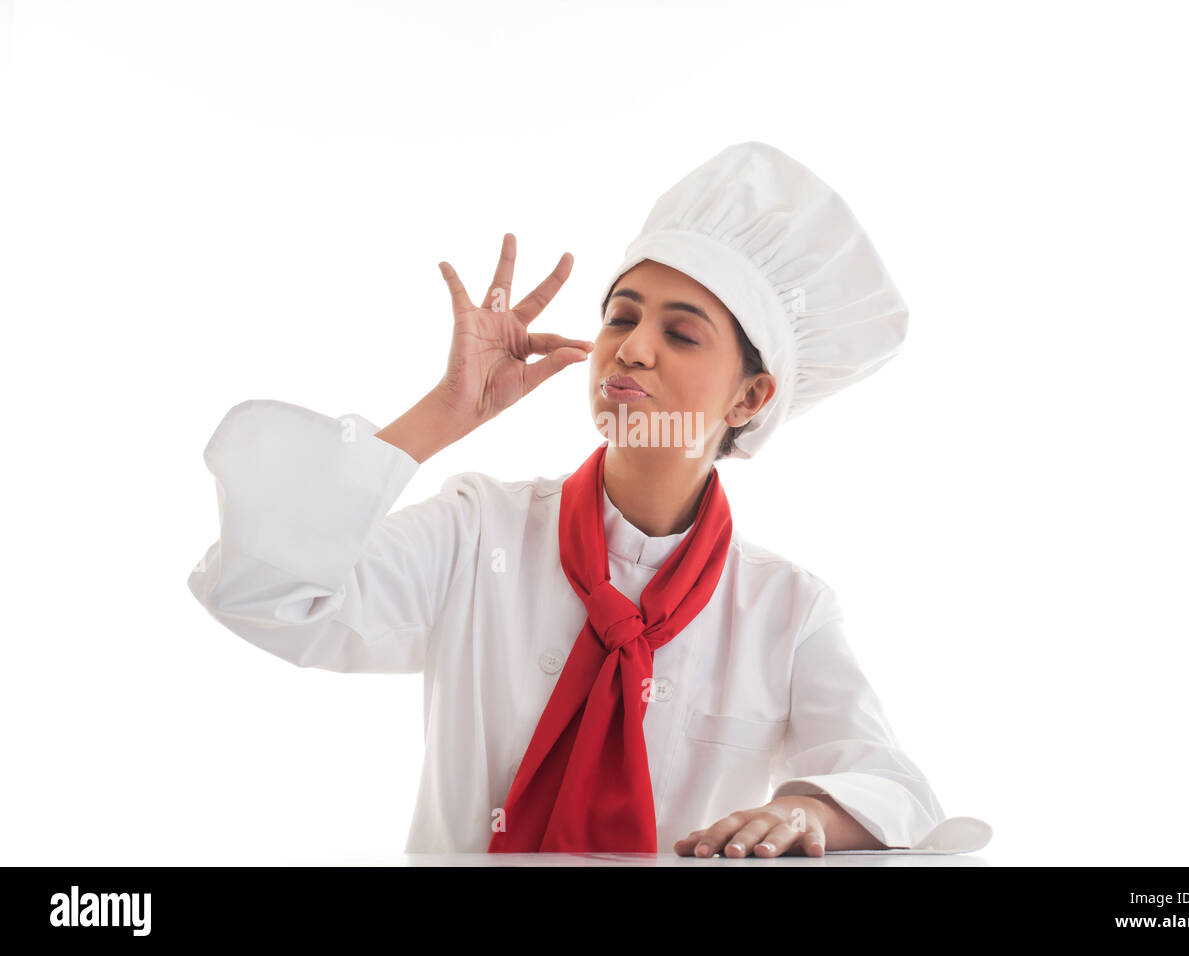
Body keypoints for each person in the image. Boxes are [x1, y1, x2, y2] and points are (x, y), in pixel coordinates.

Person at [188, 142, 990, 857]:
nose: (631, 347)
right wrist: (445, 412)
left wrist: (809, 811)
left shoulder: (786, 610)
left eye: (681, 333)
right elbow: (266, 591)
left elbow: (892, 788)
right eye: (621, 316)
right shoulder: (478, 532)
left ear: (750, 397)